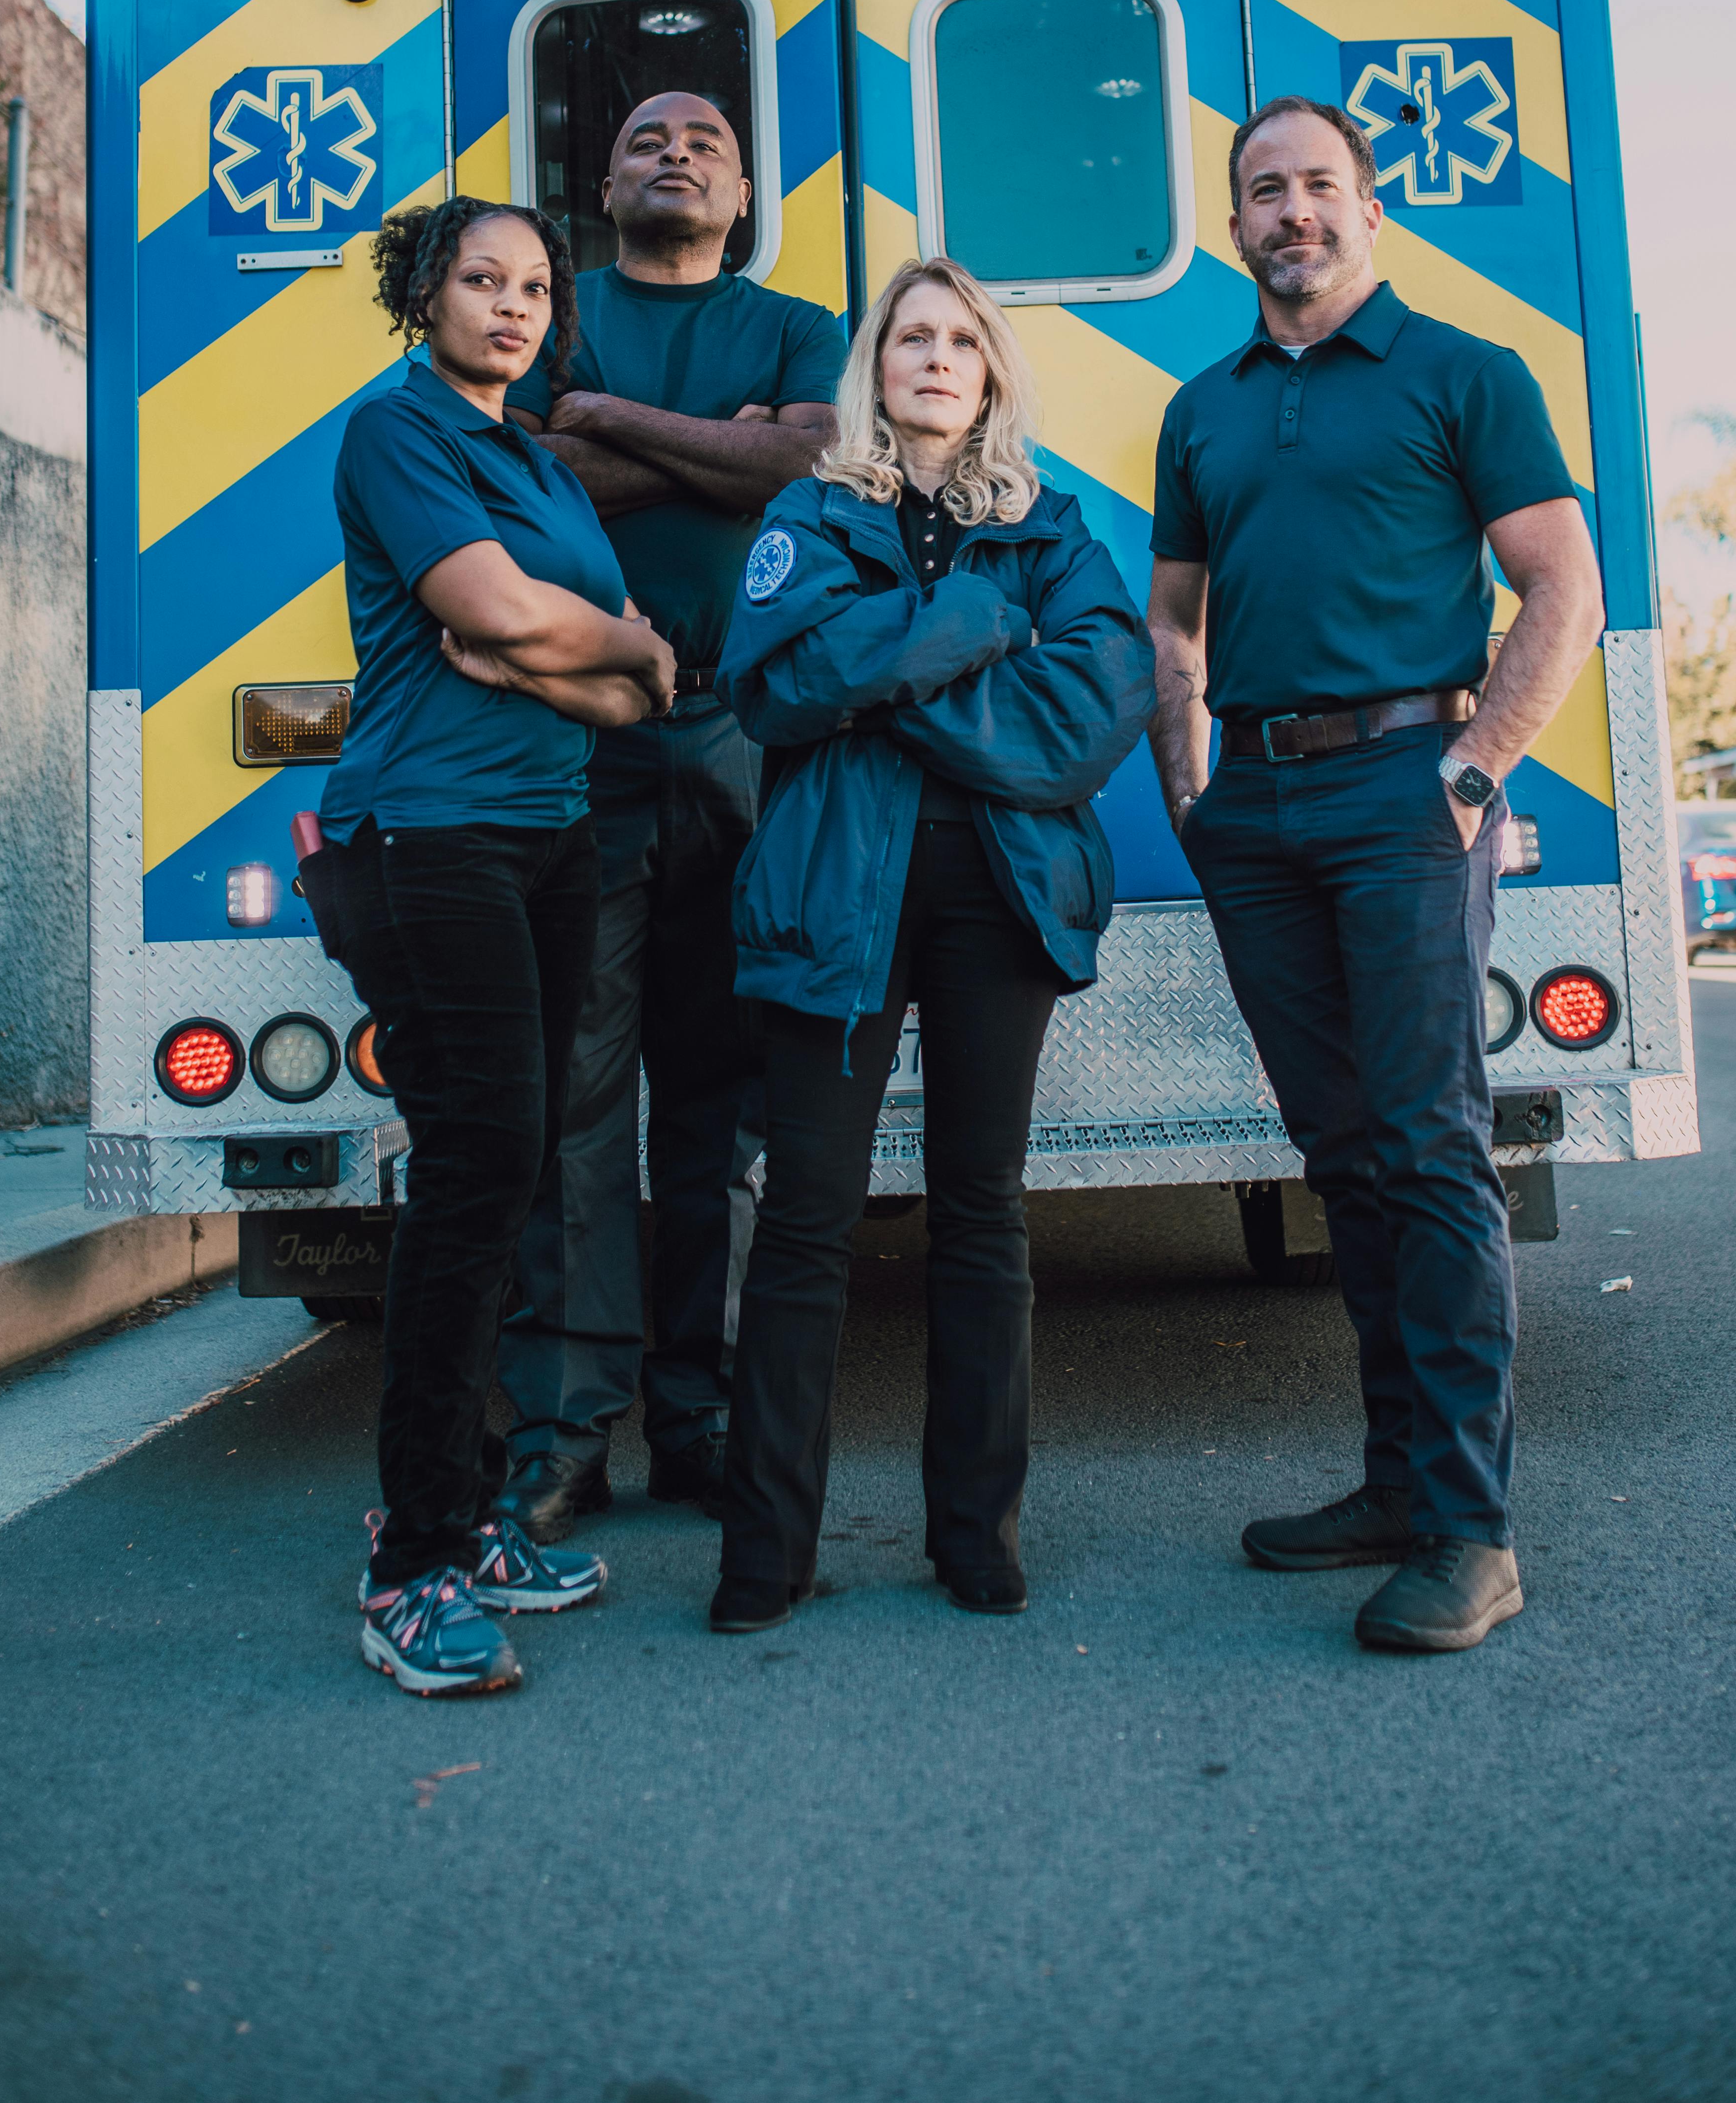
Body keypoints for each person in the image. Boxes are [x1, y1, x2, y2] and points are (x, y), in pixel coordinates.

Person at [1146, 99, 1603, 1656]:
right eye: (1264, 190)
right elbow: (1175, 616)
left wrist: (1471, 772)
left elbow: (1561, 584)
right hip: (1257, 808)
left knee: (1429, 1148)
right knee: (1341, 1153)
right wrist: (1192, 790)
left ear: (1369, 210)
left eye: (1320, 185)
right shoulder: (1202, 408)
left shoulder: (1466, 372)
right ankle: (1399, 1483)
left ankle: (1474, 1532)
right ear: (1234, 224)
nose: (1294, 211)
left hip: (1405, 790)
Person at [707, 257, 1155, 1633]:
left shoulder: (1052, 528)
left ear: (992, 372)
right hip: (835, 894)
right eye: (913, 336)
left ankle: (977, 1537)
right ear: (877, 368)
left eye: (964, 339)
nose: (939, 357)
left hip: (998, 901)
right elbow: (773, 686)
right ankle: (765, 1555)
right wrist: (968, 628)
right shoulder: (808, 512)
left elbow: (1090, 712)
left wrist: (885, 683)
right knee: (807, 1215)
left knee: (981, 1206)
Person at [308, 196, 676, 1698]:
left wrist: (591, 658)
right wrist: (599, 640)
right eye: (482, 279)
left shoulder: (536, 460)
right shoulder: (397, 435)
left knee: (514, 1173)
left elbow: (627, 679)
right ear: (427, 295)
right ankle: (413, 1568)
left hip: (552, 838)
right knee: (475, 1177)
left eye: (534, 287)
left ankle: (459, 1515)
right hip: (428, 840)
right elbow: (489, 610)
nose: (514, 306)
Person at [482, 91, 846, 1537]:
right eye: (645, 138)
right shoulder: (552, 316)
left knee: (722, 1100)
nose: (676, 152)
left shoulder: (799, 325)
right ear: (606, 184)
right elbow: (522, 477)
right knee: (574, 1098)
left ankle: (698, 1419)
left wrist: (612, 425)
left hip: (744, 739)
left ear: (745, 192)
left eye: (705, 141)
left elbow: (811, 461)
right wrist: (718, 444)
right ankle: (565, 1433)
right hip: (576, 741)